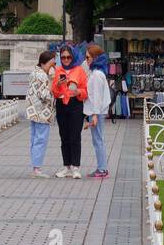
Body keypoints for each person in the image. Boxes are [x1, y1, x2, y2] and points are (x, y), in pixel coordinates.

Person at [52, 44, 88, 178]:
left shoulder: (79, 70)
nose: (66, 60)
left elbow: (85, 91)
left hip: (75, 104)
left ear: (72, 57)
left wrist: (78, 91)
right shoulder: (58, 70)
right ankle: (66, 165)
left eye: (68, 57)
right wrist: (58, 85)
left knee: (75, 136)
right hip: (61, 103)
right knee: (64, 136)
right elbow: (54, 92)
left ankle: (76, 167)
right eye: (63, 57)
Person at [83, 44, 111, 179]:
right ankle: (101, 168)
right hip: (95, 111)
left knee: (98, 140)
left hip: (96, 112)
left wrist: (94, 114)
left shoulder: (97, 75)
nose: (86, 59)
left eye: (88, 57)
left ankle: (102, 168)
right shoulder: (96, 72)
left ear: (94, 57)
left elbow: (97, 97)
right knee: (98, 140)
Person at [26, 51, 56, 176]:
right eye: (51, 63)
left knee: (35, 139)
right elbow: (45, 95)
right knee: (41, 139)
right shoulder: (44, 76)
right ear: (44, 63)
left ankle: (35, 166)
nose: (53, 66)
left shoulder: (34, 72)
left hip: (33, 111)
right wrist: (52, 80)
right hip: (42, 112)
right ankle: (36, 168)